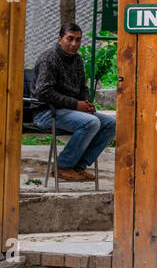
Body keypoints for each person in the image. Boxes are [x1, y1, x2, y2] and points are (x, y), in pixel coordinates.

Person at [31, 23, 115, 182]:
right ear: (60, 39)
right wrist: (76, 105)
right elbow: (44, 92)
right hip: (46, 112)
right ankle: (63, 166)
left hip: (70, 111)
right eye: (70, 39)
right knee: (91, 122)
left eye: (78, 40)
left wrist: (86, 102)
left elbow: (82, 87)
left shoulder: (76, 60)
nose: (74, 44)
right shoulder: (48, 59)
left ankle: (78, 166)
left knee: (111, 124)